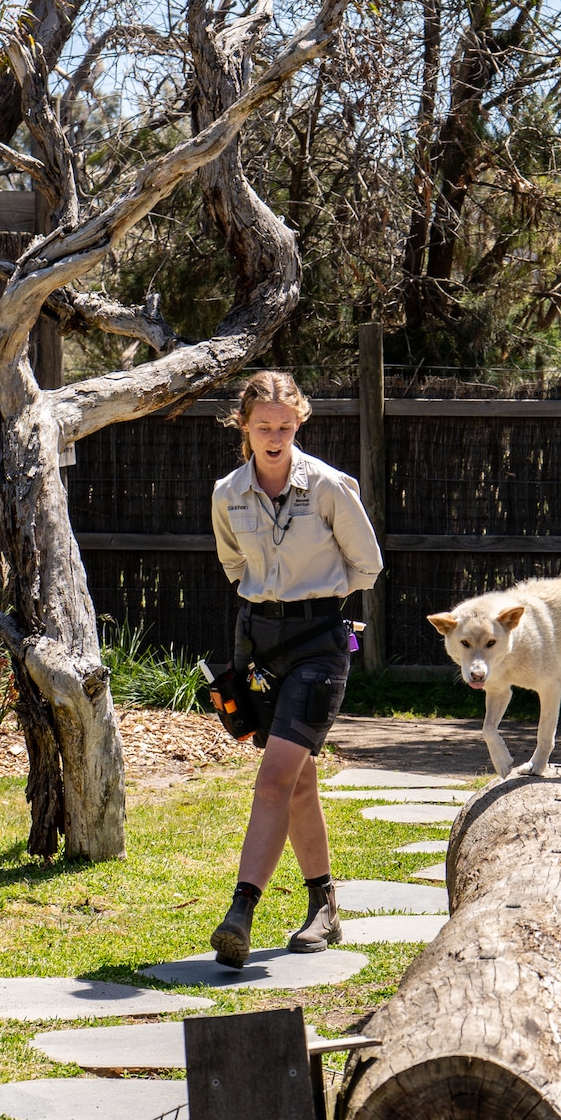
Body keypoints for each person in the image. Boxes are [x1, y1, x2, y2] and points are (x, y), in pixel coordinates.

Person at [209, 371, 382, 965]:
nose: (275, 437)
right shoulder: (227, 493)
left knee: (275, 778)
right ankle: (324, 907)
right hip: (258, 645)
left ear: (299, 421)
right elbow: (234, 565)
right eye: (264, 427)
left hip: (318, 646)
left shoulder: (329, 486)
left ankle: (240, 912)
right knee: (299, 778)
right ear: (244, 426)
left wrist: (318, 604)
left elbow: (367, 565)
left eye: (285, 426)